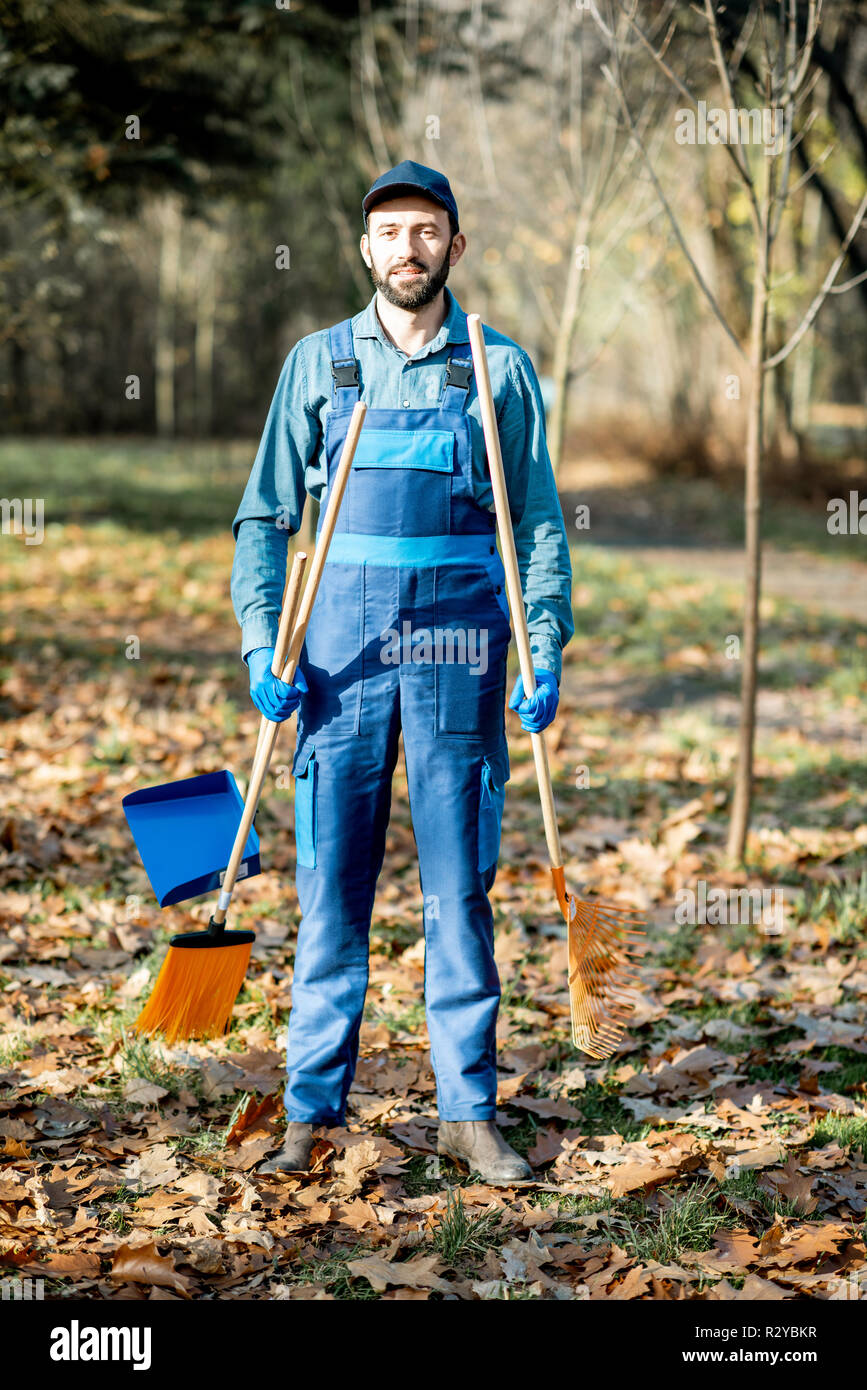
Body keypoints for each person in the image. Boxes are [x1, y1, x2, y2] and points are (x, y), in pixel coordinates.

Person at [231, 160, 574, 1182]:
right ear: (365, 248)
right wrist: (262, 644)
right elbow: (263, 518)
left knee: (459, 887)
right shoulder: (319, 364)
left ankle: (469, 1110)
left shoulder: (498, 367)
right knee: (331, 888)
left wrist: (543, 639)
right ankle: (309, 1110)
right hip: (337, 657)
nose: (407, 249)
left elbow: (541, 522)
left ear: (455, 248)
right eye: (388, 232)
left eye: (427, 231)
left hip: (462, 655)